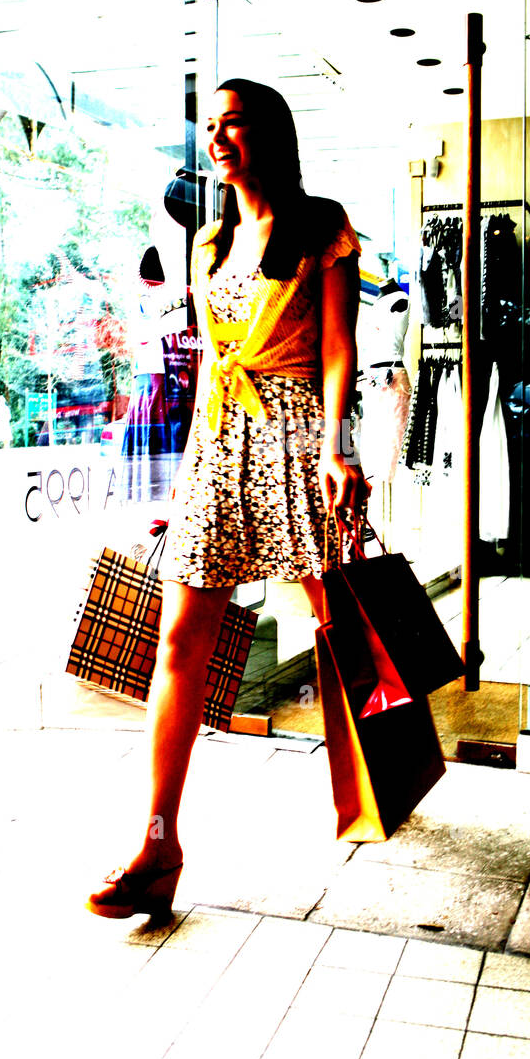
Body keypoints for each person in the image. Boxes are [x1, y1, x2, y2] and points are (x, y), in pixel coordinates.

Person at [86, 77, 369, 918]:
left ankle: (382, 776)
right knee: (181, 636)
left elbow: (336, 351)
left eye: (234, 123)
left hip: (295, 433)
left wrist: (337, 451)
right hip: (220, 441)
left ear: (270, 135)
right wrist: (185, 476)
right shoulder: (209, 241)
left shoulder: (320, 226)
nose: (218, 138)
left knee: (343, 625)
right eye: (210, 126)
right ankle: (158, 844)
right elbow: (213, 361)